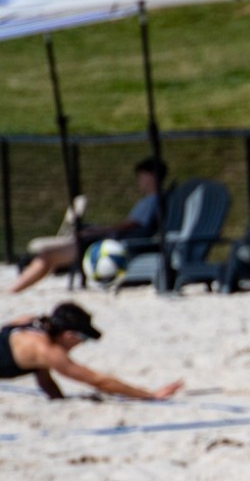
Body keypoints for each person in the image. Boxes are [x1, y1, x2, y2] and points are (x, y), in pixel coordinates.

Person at [10, 157, 168, 294]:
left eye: (141, 176)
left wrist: (100, 230)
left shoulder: (152, 200)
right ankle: (18, 283)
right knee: (53, 253)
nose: (139, 180)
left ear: (151, 177)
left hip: (112, 244)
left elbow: (130, 226)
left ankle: (14, 289)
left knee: (48, 256)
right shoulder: (152, 199)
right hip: (115, 240)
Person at [1, 303, 183, 401]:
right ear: (69, 335)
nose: (81, 344)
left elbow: (42, 375)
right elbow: (98, 381)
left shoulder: (29, 322)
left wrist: (59, 400)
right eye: (83, 339)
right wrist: (149, 395)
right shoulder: (49, 351)